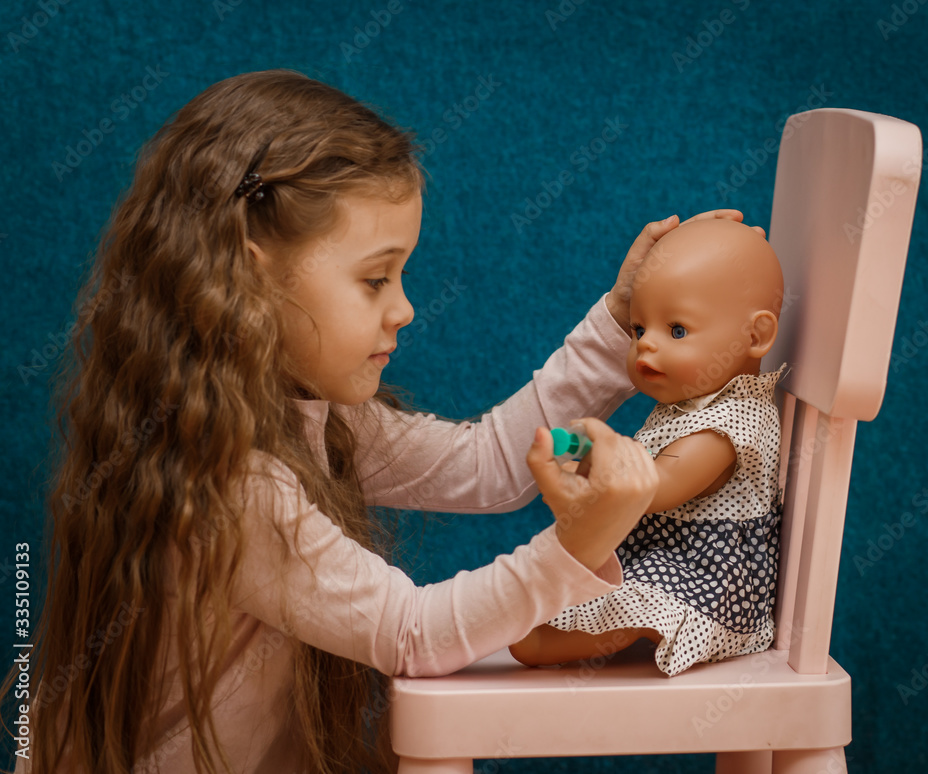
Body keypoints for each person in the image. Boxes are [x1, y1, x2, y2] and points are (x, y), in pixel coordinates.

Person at [0, 69, 757, 774]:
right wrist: (579, 542)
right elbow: (413, 634)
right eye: (374, 279)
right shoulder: (233, 482)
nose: (404, 308)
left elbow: (487, 464)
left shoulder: (309, 422)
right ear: (252, 274)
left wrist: (618, 320)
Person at [510, 218, 786, 677]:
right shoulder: (692, 403)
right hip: (664, 552)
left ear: (755, 337)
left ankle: (559, 638)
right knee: (601, 578)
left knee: (645, 596)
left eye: (676, 331)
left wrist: (593, 455)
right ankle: (554, 620)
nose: (645, 347)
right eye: (639, 329)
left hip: (706, 577)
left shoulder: (732, 421)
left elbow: (659, 485)